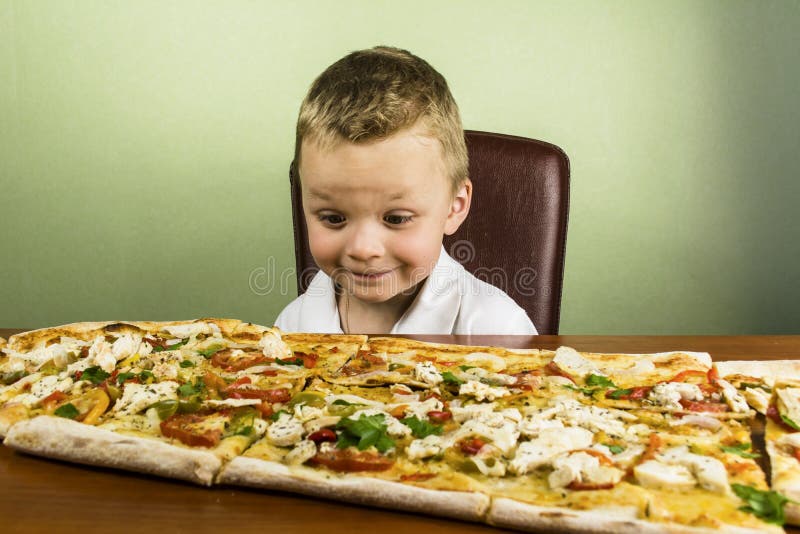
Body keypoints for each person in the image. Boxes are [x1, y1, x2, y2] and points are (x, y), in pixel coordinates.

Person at [275, 46, 537, 335]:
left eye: (396, 218)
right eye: (333, 218)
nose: (363, 248)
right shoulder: (291, 325)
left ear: (455, 206)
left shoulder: (500, 331)